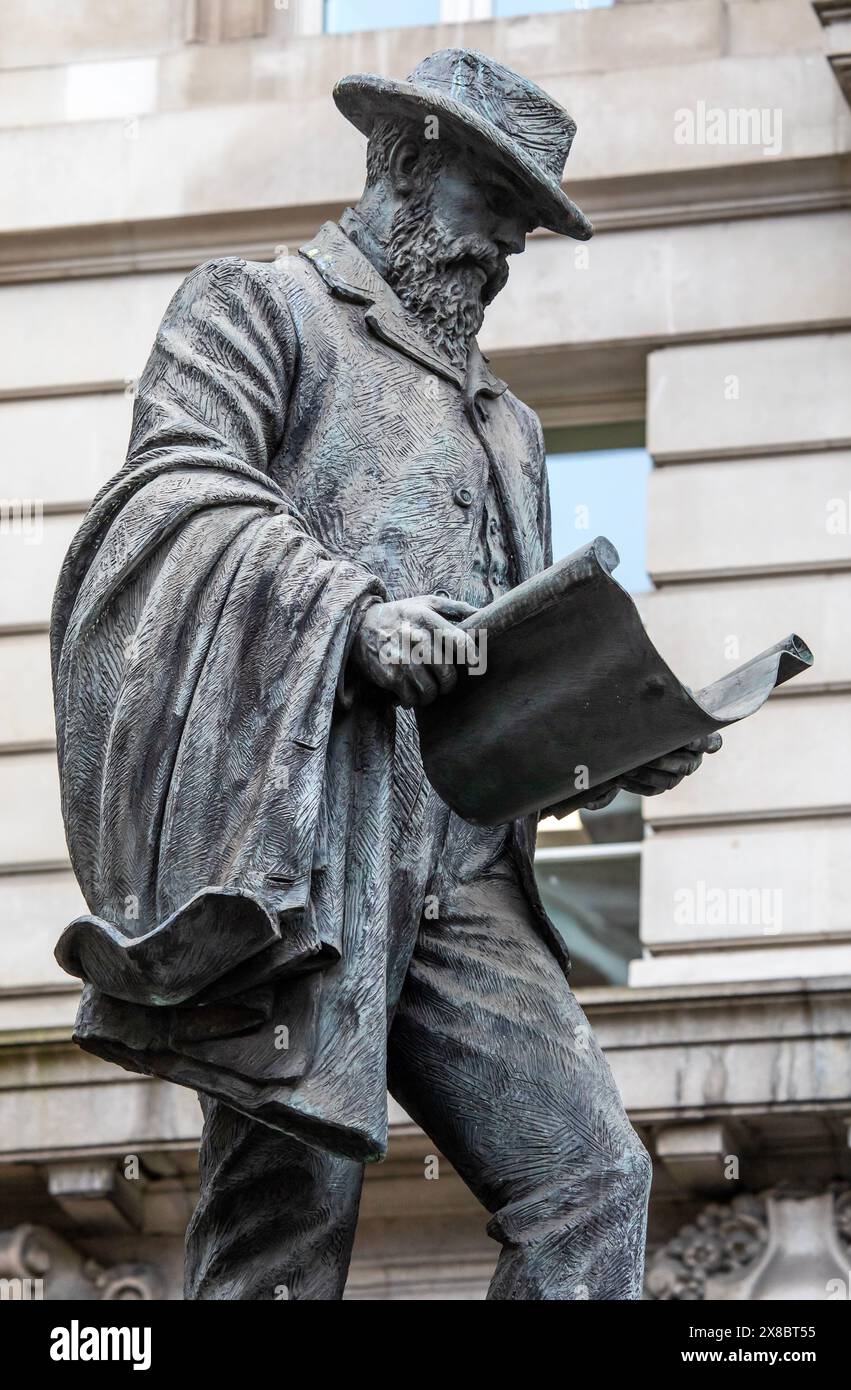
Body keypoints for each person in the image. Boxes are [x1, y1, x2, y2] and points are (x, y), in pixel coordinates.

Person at [51, 49, 719, 1301]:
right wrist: (350, 614)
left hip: (464, 865)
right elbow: (170, 506)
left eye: (524, 230)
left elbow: (513, 658)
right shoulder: (259, 307)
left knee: (592, 1179)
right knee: (286, 1214)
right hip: (306, 847)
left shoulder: (509, 426)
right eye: (491, 207)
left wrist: (613, 735)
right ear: (406, 160)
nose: (504, 253)